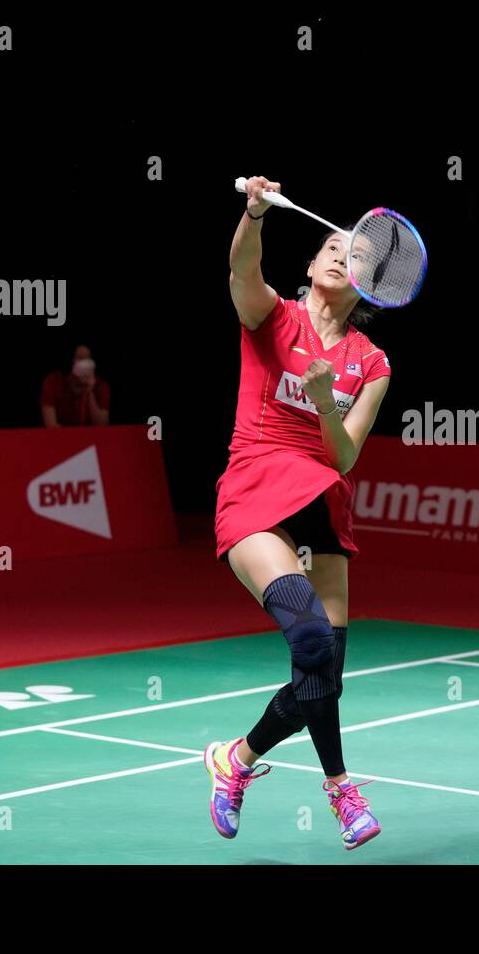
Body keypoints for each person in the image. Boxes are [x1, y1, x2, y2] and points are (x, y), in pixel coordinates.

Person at [205, 176, 392, 850]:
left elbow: (343, 459)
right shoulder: (271, 317)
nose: (344, 257)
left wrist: (321, 400)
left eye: (359, 256)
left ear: (372, 286)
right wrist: (253, 213)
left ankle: (238, 759)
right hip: (256, 483)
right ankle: (342, 787)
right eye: (333, 249)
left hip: (322, 495)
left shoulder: (371, 363)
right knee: (309, 640)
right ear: (311, 266)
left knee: (325, 671)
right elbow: (240, 268)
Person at [40, 344, 110, 427]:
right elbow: (51, 424)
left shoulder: (101, 386)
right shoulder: (53, 381)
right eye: (80, 358)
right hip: (62, 436)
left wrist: (89, 391)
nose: (85, 363)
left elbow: (102, 426)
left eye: (88, 359)